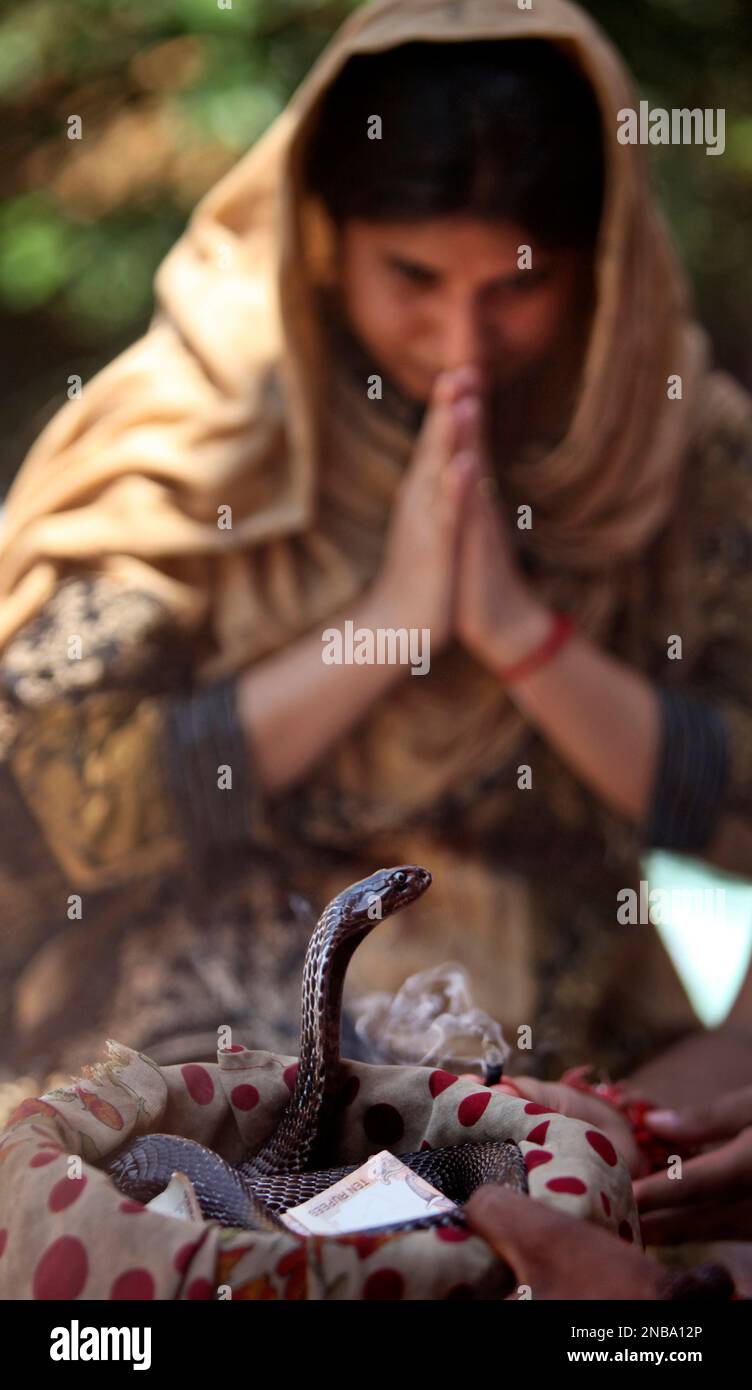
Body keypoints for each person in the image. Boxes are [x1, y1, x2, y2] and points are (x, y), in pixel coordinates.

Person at [0, 0, 751, 1155]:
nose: (461, 343)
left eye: (517, 284)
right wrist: (387, 626)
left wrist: (518, 637)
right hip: (186, 1081)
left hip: (575, 1083)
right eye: (410, 276)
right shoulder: (193, 434)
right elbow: (45, 811)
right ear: (319, 238)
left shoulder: (667, 455)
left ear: (599, 269)